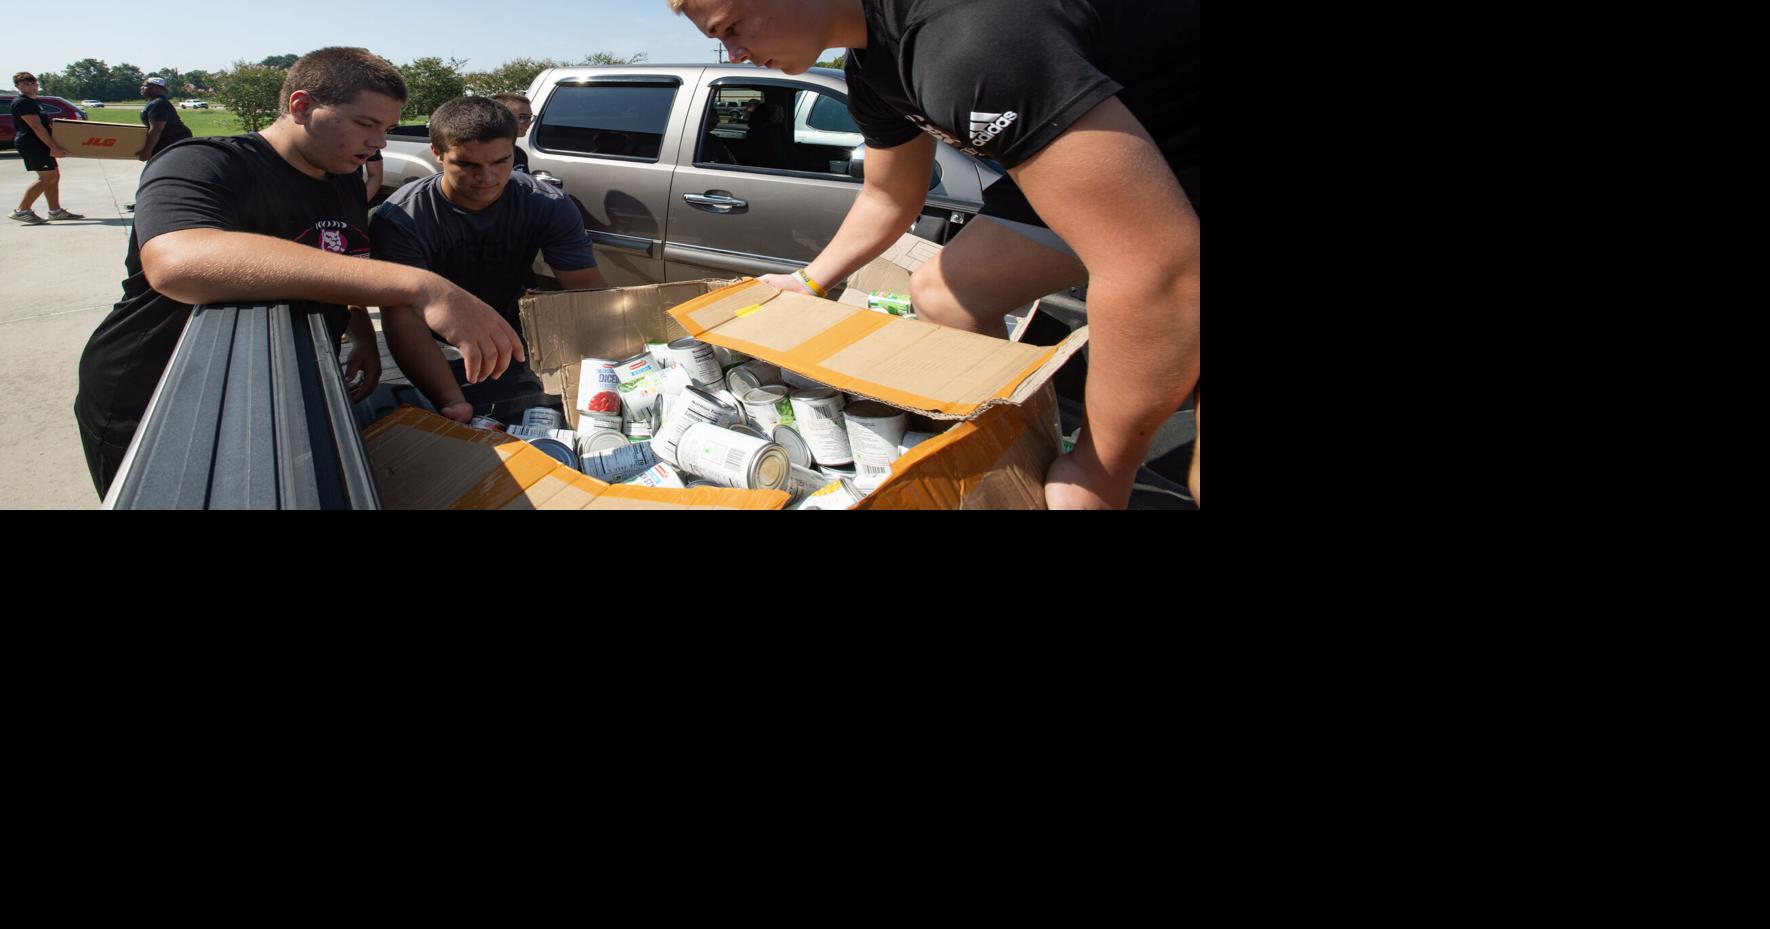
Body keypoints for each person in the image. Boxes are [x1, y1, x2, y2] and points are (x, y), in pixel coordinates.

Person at [669, 0, 1201, 508]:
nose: (734, 53)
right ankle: (1019, 450)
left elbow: (1159, 271)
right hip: (1120, 158)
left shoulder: (969, 39)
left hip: (1161, 183)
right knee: (943, 294)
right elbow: (888, 195)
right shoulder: (873, 69)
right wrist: (809, 281)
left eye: (730, 27)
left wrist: (1100, 471)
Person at [74, 47, 523, 499]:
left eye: (386, 129)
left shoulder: (343, 178)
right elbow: (177, 263)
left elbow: (337, 259)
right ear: (301, 106)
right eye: (366, 124)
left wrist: (359, 327)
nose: (379, 143)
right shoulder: (201, 162)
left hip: (272, 395)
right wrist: (423, 285)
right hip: (157, 398)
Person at [372, 96, 606, 424]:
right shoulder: (401, 219)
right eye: (467, 165)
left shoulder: (547, 205)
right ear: (437, 154)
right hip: (431, 335)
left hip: (513, 321)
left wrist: (605, 367)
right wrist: (452, 401)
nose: (487, 177)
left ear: (515, 150)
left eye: (500, 161)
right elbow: (402, 318)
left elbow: (585, 293)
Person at [8, 72, 84, 224]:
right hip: (31, 144)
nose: (30, 86)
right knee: (47, 177)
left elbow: (45, 125)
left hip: (40, 143)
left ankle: (55, 211)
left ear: (37, 85)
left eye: (32, 83)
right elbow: (36, 127)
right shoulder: (22, 103)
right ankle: (22, 210)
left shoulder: (35, 102)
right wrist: (53, 147)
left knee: (54, 175)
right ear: (17, 86)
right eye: (25, 84)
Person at [135, 76, 193, 161]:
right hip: (166, 142)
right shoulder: (155, 102)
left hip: (172, 143)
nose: (141, 87)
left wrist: (147, 151)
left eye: (145, 85)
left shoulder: (158, 103)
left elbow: (156, 129)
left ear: (156, 88)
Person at [488, 93, 533, 173]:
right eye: (522, 117)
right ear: (499, 117)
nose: (529, 123)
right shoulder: (481, 154)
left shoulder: (519, 154)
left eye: (529, 118)